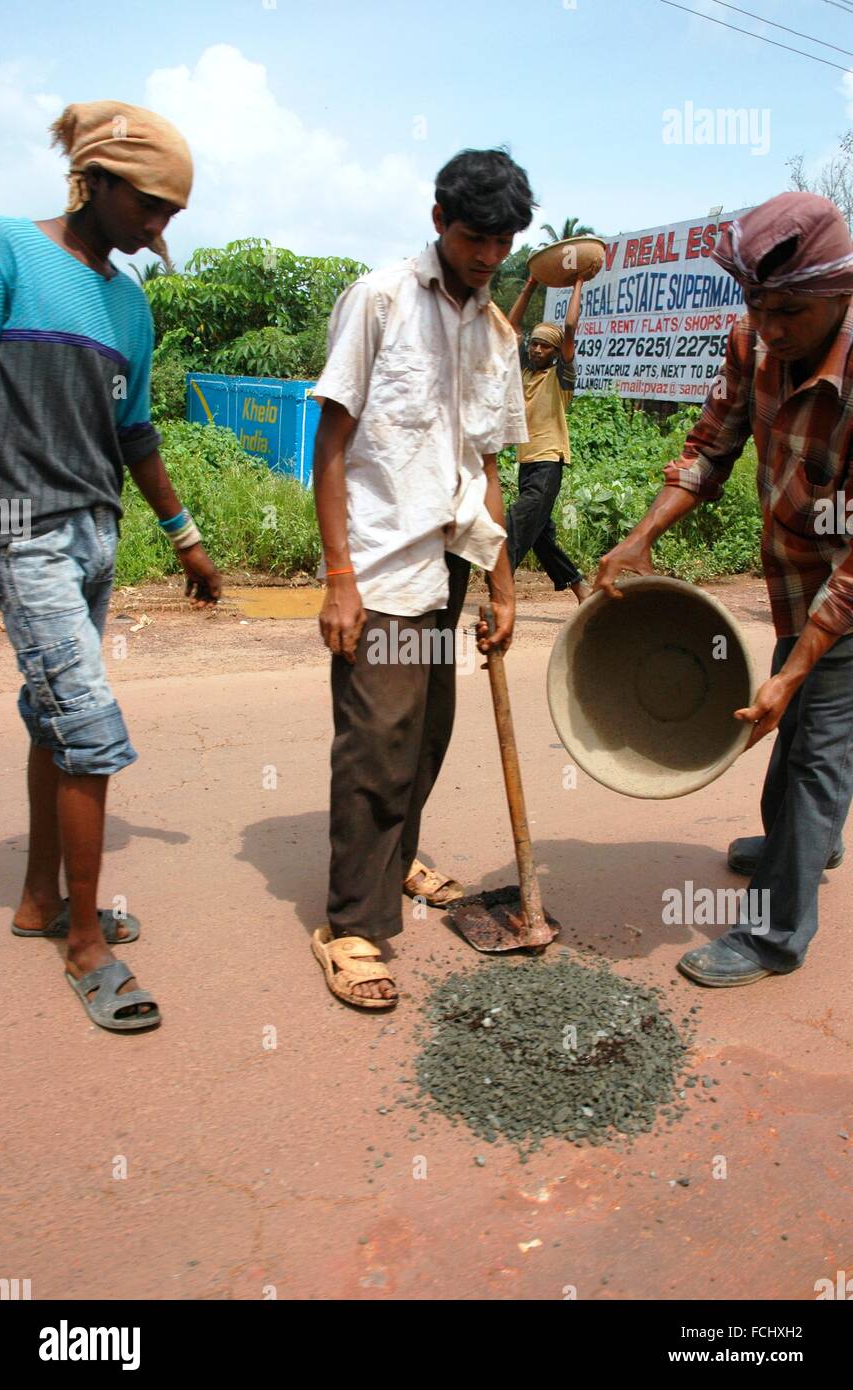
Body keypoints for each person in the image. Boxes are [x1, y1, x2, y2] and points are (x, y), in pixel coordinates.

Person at [0, 102, 221, 1032]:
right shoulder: (7, 252)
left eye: (170, 214)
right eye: (149, 205)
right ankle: (88, 942)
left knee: (54, 719)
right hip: (21, 530)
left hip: (95, 534)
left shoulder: (130, 303)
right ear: (97, 179)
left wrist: (185, 535)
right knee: (89, 724)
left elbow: (133, 432)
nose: (156, 227)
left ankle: (43, 899)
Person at [595, 191, 853, 988]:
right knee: (791, 712)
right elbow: (711, 448)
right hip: (794, 573)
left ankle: (775, 936)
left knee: (815, 746)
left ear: (842, 293)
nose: (770, 328)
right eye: (757, 306)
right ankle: (798, 849)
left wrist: (802, 662)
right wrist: (640, 537)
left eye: (790, 312)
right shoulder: (754, 344)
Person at [311, 148, 532, 1008]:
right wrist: (337, 578)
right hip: (376, 562)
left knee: (428, 732)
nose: (487, 256)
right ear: (439, 220)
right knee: (377, 743)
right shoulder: (379, 300)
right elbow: (330, 446)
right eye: (476, 237)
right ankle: (350, 927)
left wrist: (505, 583)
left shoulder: (497, 333)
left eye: (503, 242)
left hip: (450, 563)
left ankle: (395, 863)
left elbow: (486, 465)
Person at [505, 270, 595, 603]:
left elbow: (570, 329)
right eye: (536, 343)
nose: (537, 349)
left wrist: (578, 285)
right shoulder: (524, 371)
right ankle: (580, 589)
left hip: (548, 460)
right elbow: (509, 329)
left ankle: (501, 592)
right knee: (540, 536)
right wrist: (530, 285)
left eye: (545, 345)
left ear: (556, 352)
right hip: (528, 462)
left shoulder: (561, 378)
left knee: (514, 523)